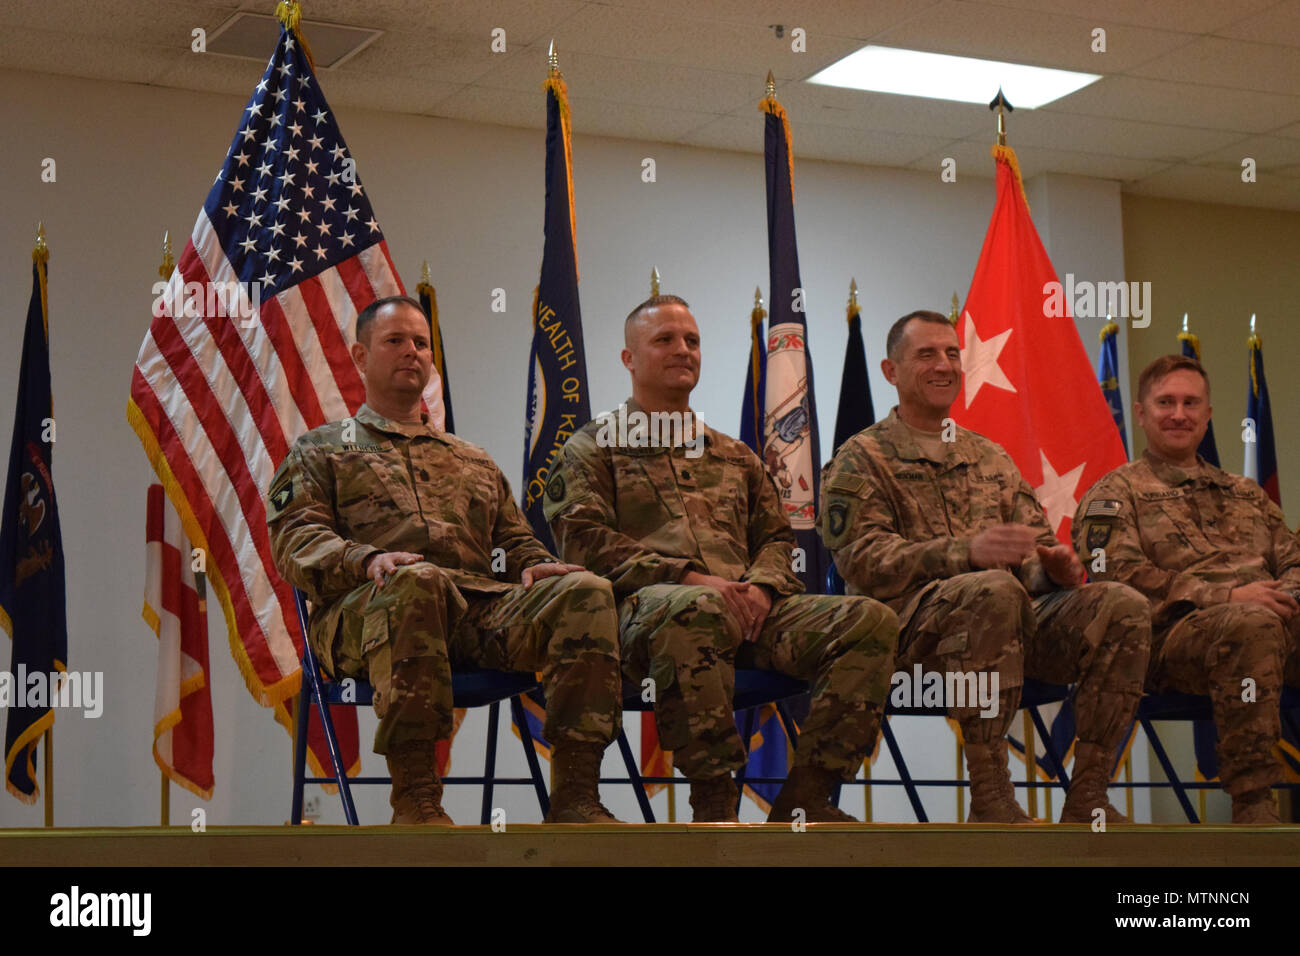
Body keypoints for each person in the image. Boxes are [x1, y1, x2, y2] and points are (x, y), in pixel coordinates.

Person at [267, 295, 623, 825]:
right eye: (395, 341)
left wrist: (534, 565)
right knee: (416, 582)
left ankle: (575, 796)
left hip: (473, 613)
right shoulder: (321, 450)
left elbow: (514, 542)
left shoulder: (472, 460)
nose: (412, 352)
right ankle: (416, 798)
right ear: (361, 358)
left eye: (420, 343)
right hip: (365, 617)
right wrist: (366, 561)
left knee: (586, 592)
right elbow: (296, 539)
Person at [544, 294, 899, 823]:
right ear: (629, 359)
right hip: (639, 620)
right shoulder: (593, 447)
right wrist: (690, 578)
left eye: (691, 340)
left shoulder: (734, 454)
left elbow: (779, 537)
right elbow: (585, 540)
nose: (682, 349)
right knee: (697, 608)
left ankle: (807, 794)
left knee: (868, 620)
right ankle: (714, 802)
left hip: (750, 612)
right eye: (664, 339)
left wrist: (761, 587)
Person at [821, 309, 1151, 824]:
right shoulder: (861, 458)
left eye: (952, 353)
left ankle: (1088, 794)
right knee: (993, 589)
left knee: (1121, 604)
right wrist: (964, 553)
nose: (944, 364)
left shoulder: (990, 458)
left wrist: (1055, 570)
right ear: (890, 371)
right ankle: (991, 796)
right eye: (927, 353)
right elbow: (862, 561)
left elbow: (1031, 559)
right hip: (905, 637)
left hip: (1007, 624)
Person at [1074, 354, 1300, 824]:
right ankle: (1254, 803)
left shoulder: (1245, 492)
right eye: (1166, 402)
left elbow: (1293, 557)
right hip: (1170, 641)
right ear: (1140, 413)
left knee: (1261, 620)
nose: (1179, 413)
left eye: (1191, 402)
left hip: (1269, 622)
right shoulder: (1114, 493)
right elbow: (1113, 572)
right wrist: (1227, 598)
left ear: (1208, 415)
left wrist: (1289, 598)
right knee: (1251, 623)